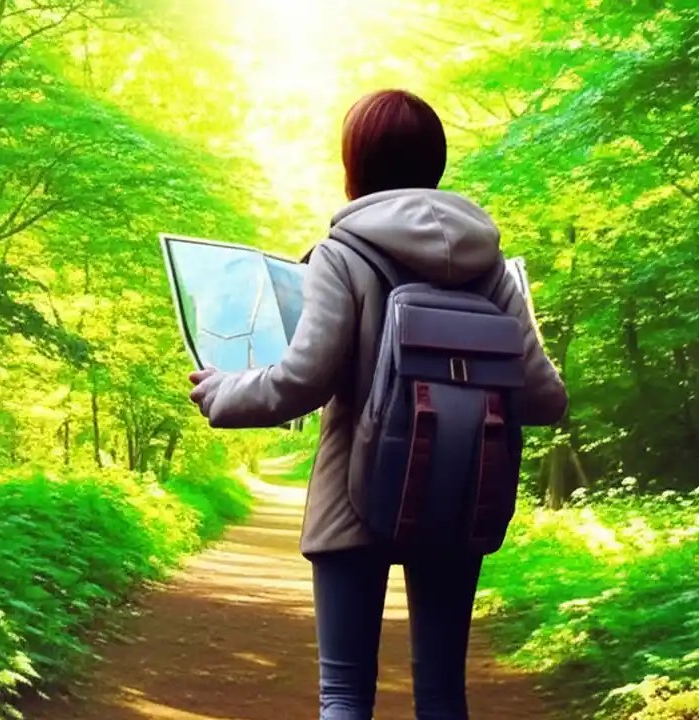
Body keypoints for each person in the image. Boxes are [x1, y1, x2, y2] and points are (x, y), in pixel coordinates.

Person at [187, 89, 567, 720]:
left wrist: (223, 390)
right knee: (443, 693)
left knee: (344, 695)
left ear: (353, 164)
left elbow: (301, 382)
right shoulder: (493, 267)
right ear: (436, 162)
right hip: (460, 492)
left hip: (353, 496)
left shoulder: (344, 253)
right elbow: (546, 399)